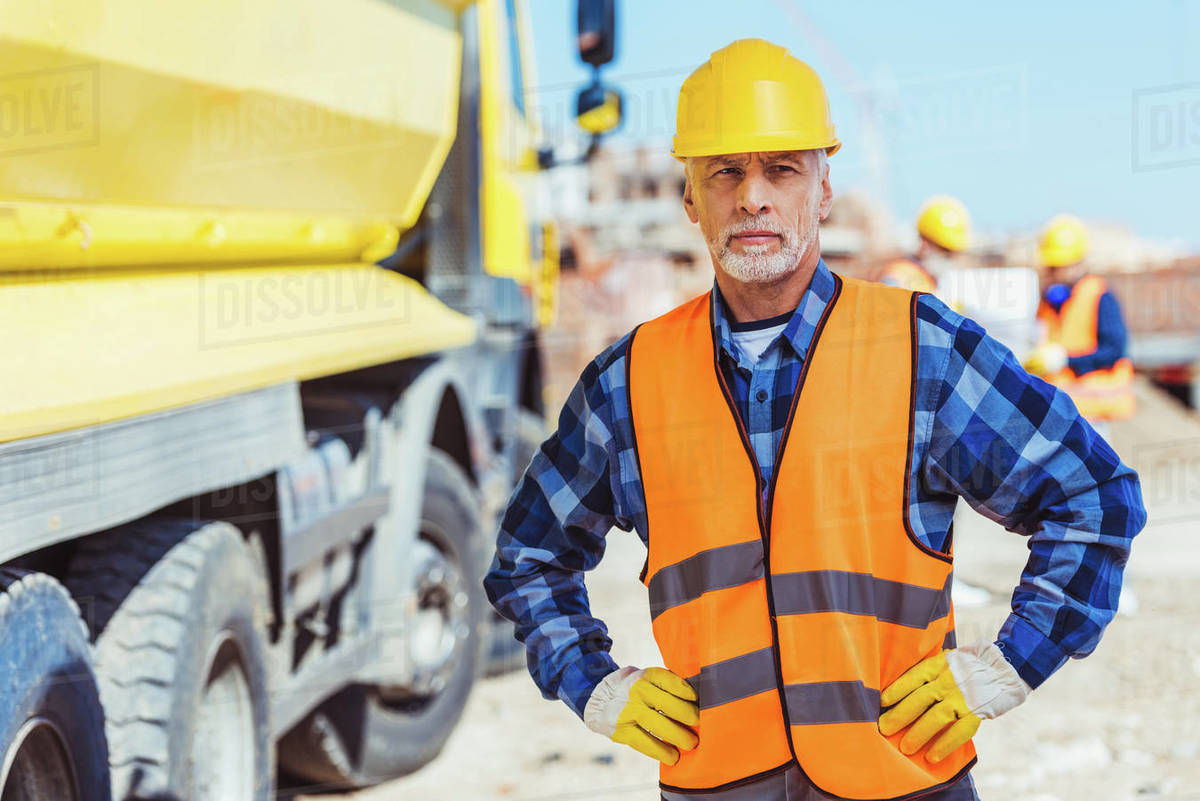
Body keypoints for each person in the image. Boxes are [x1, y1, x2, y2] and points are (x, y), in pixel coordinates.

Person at [485, 39, 1146, 801]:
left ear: (823, 189)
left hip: (900, 782)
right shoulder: (627, 383)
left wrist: (1007, 665)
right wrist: (593, 682)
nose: (753, 197)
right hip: (719, 784)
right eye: (724, 170)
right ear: (690, 198)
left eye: (782, 169)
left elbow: (1094, 498)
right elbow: (528, 557)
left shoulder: (922, 348)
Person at [1026, 214, 1136, 441]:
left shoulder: (1100, 297)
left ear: (1078, 263)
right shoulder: (1048, 301)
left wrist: (1066, 360)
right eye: (1050, 267)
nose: (1053, 273)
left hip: (1092, 418)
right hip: (1057, 415)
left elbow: (1113, 350)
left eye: (1059, 267)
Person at [879, 196, 972, 293]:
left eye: (953, 253)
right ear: (925, 244)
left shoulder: (934, 282)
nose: (949, 260)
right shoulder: (900, 277)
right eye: (945, 251)